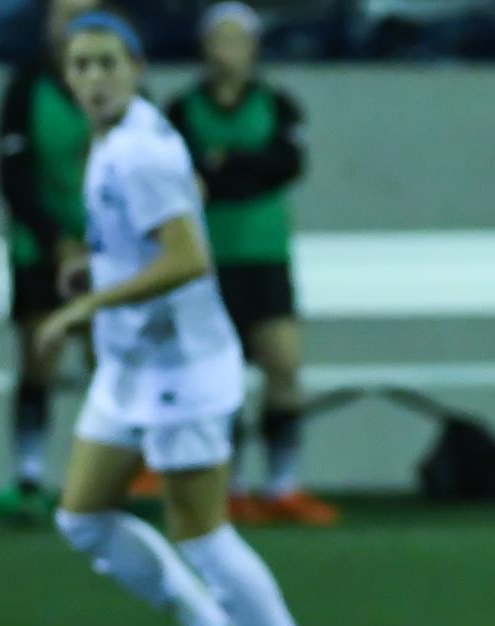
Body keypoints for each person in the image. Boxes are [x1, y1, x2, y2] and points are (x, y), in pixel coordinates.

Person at [39, 11, 329, 626]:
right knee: (81, 517)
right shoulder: (111, 144)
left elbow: (187, 257)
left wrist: (90, 305)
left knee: (204, 534)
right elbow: (150, 238)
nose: (95, 78)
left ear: (137, 68)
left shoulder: (141, 150)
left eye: (108, 63)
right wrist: (94, 272)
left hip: (182, 370)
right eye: (82, 66)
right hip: (133, 364)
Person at [168, 1, 336, 526]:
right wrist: (238, 170)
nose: (229, 53)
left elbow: (284, 165)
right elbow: (182, 174)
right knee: (217, 380)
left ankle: (284, 483)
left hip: (264, 256)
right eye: (220, 41)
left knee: (283, 366)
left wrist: (224, 169)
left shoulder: (278, 105)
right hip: (207, 261)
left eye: (238, 41)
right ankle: (231, 485)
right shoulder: (181, 110)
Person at [0, 0, 98, 504]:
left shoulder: (116, 82)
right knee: (40, 354)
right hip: (40, 248)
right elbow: (11, 174)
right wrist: (56, 239)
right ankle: (30, 471)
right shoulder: (25, 86)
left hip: (106, 251)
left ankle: (111, 472)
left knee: (112, 361)